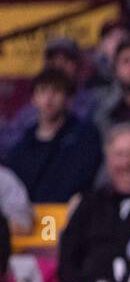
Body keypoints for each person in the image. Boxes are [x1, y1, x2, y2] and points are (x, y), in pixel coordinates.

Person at [57, 125, 130, 282]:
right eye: (119, 154)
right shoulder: (89, 204)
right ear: (107, 162)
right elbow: (67, 261)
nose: (127, 163)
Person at [4, 68, 102, 203]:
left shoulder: (85, 136)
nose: (49, 98)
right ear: (33, 98)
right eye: (43, 90)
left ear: (68, 98)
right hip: (30, 218)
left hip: (72, 215)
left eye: (56, 90)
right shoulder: (22, 146)